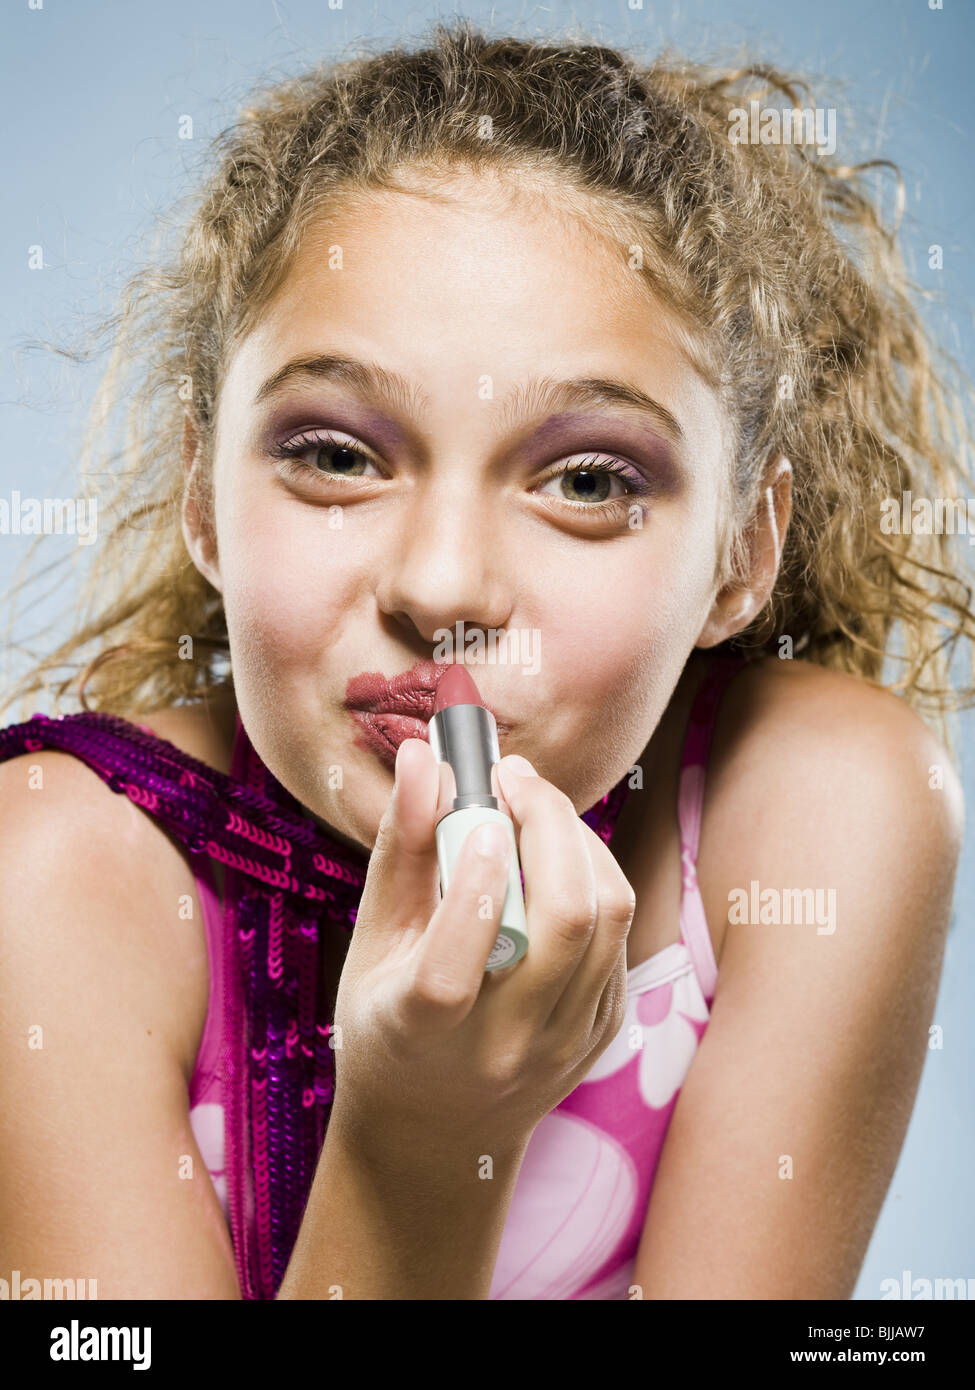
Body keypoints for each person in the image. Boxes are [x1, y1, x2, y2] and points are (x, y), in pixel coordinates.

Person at [0, 20, 970, 1300]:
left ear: (742, 554)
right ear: (201, 497)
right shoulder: (46, 890)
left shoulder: (817, 809)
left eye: (584, 478)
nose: (442, 585)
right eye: (336, 455)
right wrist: (424, 1139)